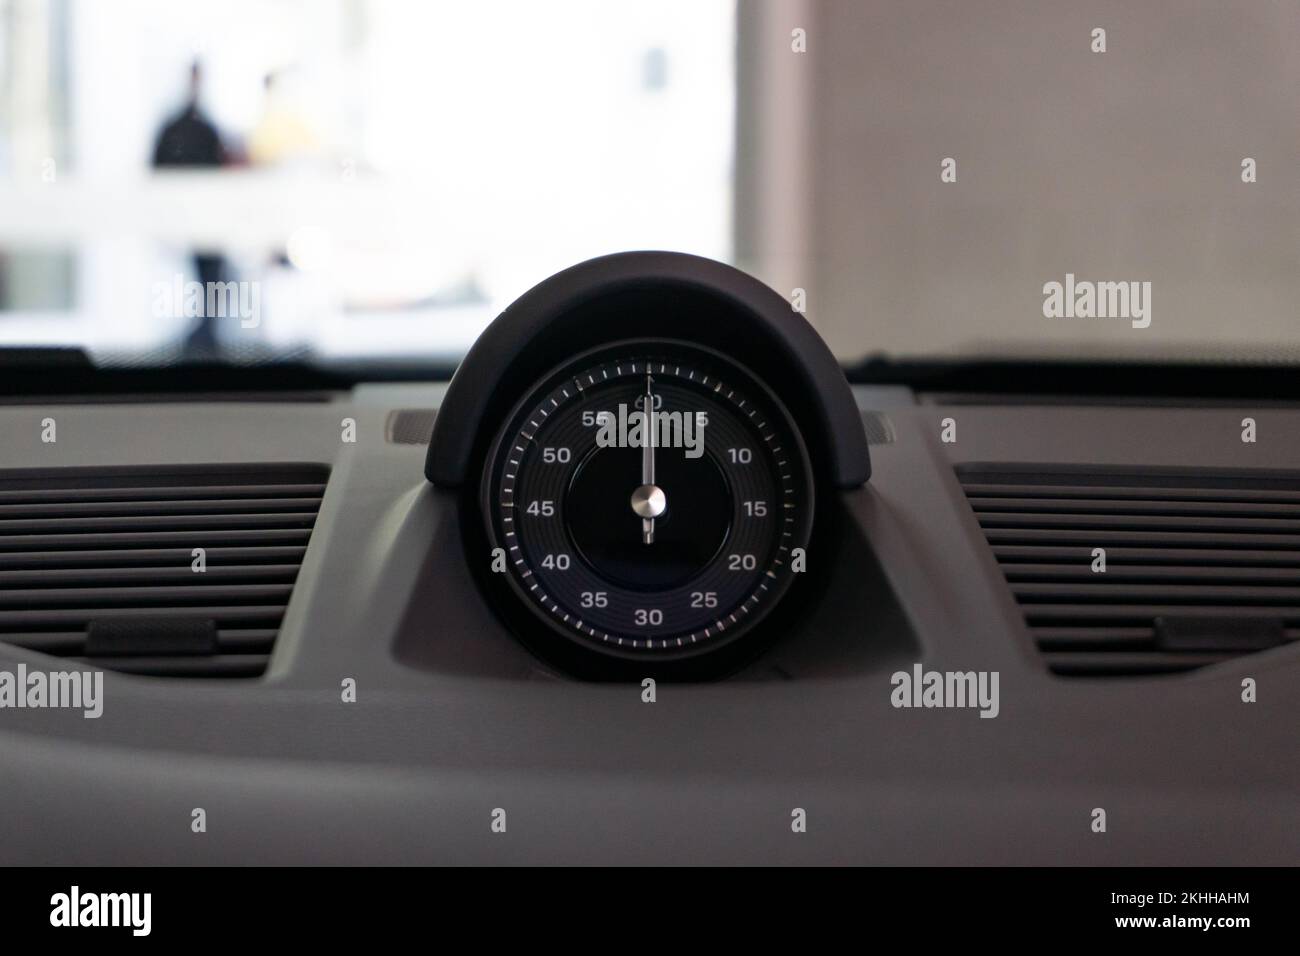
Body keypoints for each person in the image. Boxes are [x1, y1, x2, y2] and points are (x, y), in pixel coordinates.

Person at [151, 61, 228, 359]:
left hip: (206, 219)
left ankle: (205, 336)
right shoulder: (179, 126)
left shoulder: (203, 126)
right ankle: (202, 337)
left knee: (212, 276)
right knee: (205, 277)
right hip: (187, 218)